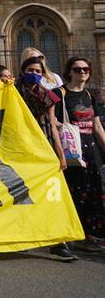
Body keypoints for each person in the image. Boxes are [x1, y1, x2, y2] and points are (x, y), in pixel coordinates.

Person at [14, 55, 75, 262]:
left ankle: (59, 242)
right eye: (30, 70)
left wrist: (60, 153)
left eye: (38, 71)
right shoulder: (12, 91)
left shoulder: (48, 96)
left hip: (44, 144)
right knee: (22, 194)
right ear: (23, 72)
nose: (34, 74)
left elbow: (52, 123)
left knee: (53, 194)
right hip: (20, 147)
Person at [58, 57, 105, 252]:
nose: (82, 73)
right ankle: (74, 234)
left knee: (94, 191)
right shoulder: (60, 93)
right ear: (69, 72)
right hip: (72, 149)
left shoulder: (88, 95)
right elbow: (52, 121)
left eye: (85, 69)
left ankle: (91, 235)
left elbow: (97, 126)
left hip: (91, 149)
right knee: (75, 190)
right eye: (77, 70)